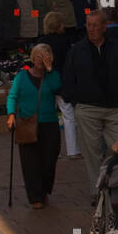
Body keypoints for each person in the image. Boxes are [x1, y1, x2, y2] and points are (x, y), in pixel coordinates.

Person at [61, 8, 118, 195]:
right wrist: (75, 101)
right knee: (92, 153)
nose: (91, 29)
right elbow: (68, 78)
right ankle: (98, 193)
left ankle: (115, 188)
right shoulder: (77, 50)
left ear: (105, 27)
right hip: (87, 108)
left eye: (96, 25)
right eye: (89, 25)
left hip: (115, 108)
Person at [6, 43, 63, 210]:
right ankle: (35, 196)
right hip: (27, 124)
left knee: (49, 160)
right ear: (33, 57)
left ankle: (44, 189)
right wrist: (11, 114)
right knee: (30, 162)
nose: (41, 59)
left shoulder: (53, 76)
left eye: (45, 56)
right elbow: (12, 96)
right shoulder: (22, 77)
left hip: (49, 124)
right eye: (38, 56)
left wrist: (50, 69)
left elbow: (58, 89)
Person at [39, 11, 79, 158]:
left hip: (45, 82)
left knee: (46, 117)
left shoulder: (41, 43)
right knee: (68, 116)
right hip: (62, 83)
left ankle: (46, 150)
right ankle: (73, 150)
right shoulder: (65, 42)